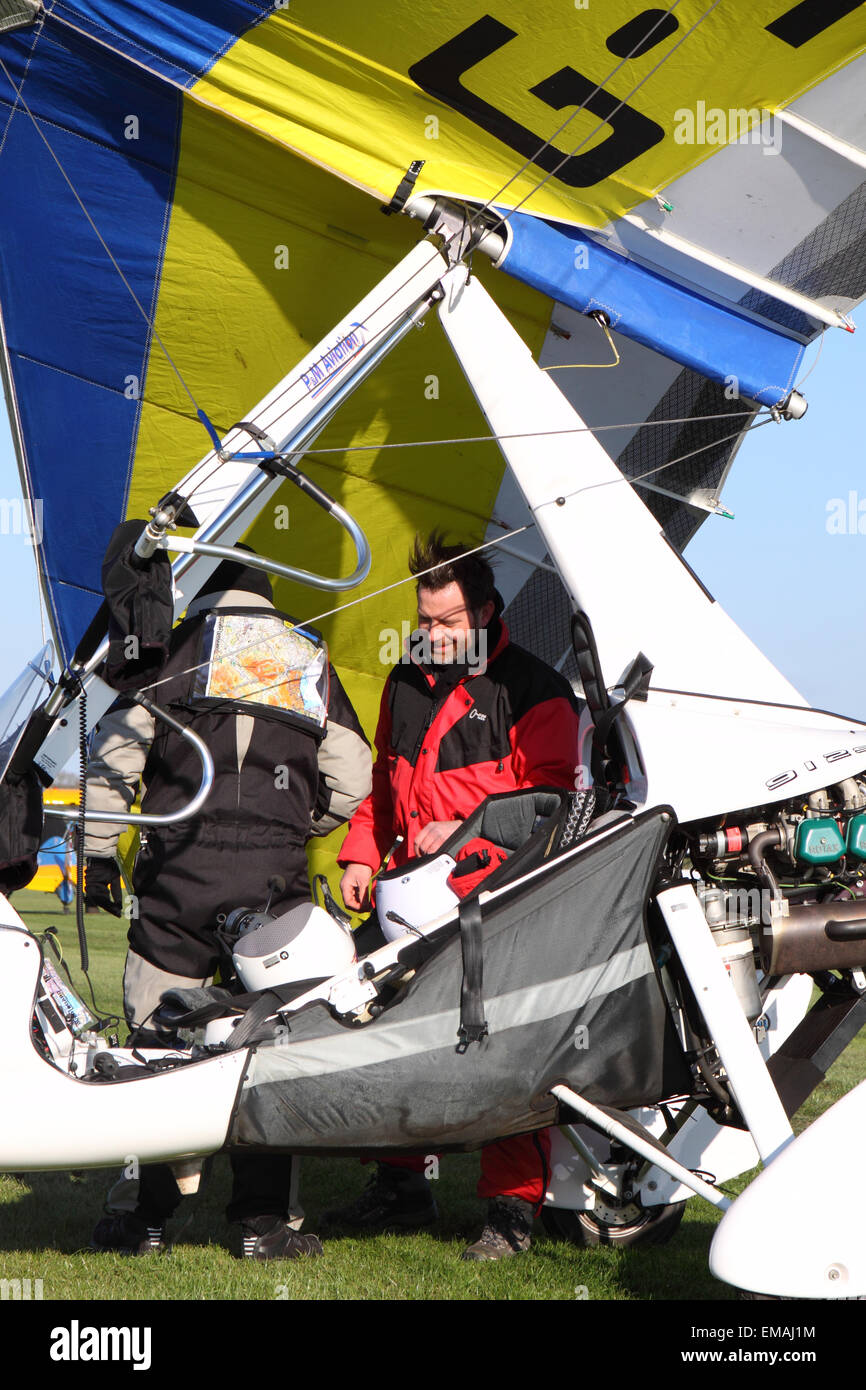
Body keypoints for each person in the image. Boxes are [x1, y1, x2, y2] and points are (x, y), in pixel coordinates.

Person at [83, 551, 371, 1259]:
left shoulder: (171, 651)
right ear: (270, 601)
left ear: (205, 600)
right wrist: (298, 824)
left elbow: (112, 760)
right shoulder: (309, 659)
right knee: (267, 1053)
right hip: (273, 893)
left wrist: (95, 853)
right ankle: (262, 1224)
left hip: (179, 885)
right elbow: (352, 775)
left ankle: (142, 1221)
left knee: (155, 1049)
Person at [332, 531, 582, 1260]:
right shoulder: (403, 681)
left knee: (504, 1051)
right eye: (424, 620)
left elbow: (553, 804)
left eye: (445, 623)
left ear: (483, 612)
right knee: (388, 1037)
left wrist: (466, 826)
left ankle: (512, 1209)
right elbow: (383, 787)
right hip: (406, 901)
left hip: (496, 902)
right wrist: (357, 853)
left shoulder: (539, 691)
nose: (431, 636)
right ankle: (401, 1184)